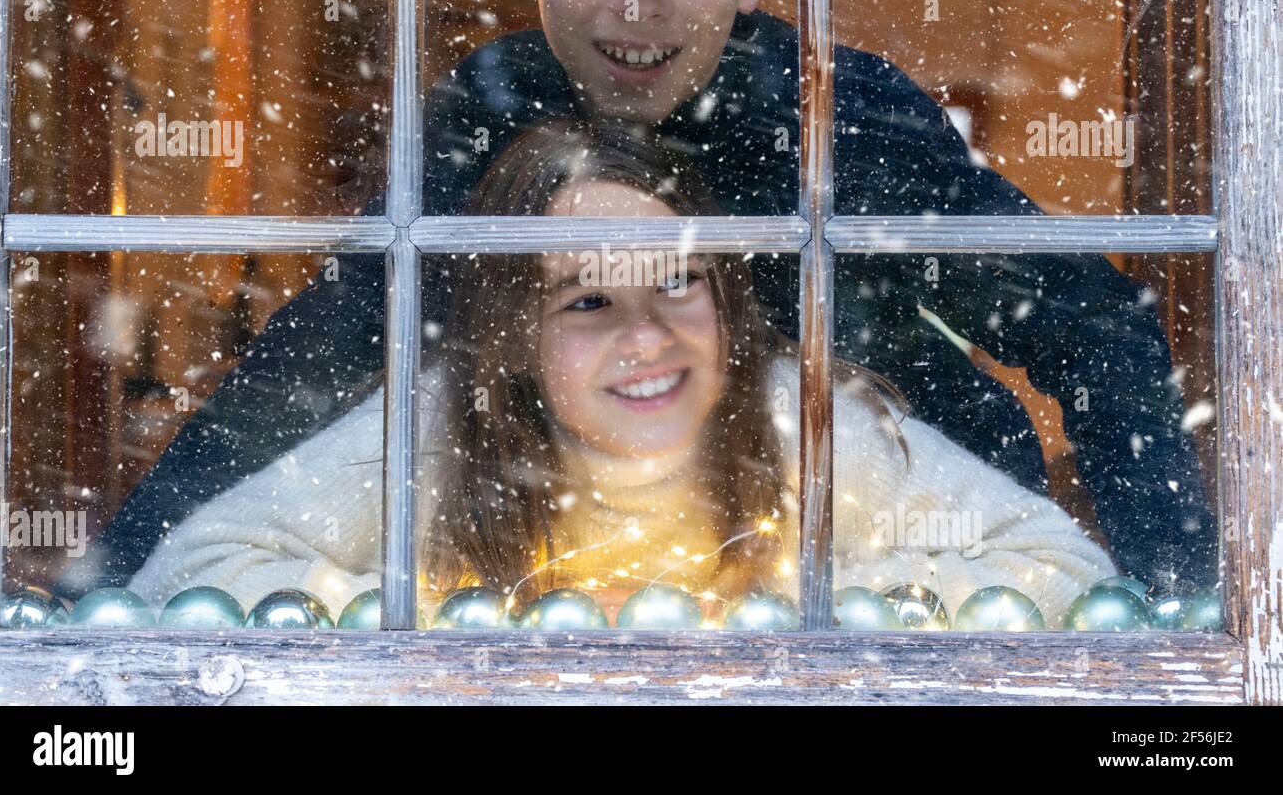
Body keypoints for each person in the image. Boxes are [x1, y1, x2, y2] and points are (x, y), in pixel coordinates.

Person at [83, 0, 1213, 600]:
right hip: (567, 553)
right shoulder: (482, 118)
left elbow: (1091, 324)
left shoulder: (839, 118)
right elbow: (318, 357)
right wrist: (112, 598)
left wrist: (1173, 608)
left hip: (887, 555)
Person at [126, 122, 1117, 626]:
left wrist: (805, 599)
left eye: (678, 282)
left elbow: (1064, 575)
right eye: (586, 300)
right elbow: (190, 574)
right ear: (512, 335)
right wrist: (451, 608)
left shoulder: (792, 418)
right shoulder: (441, 425)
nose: (646, 336)